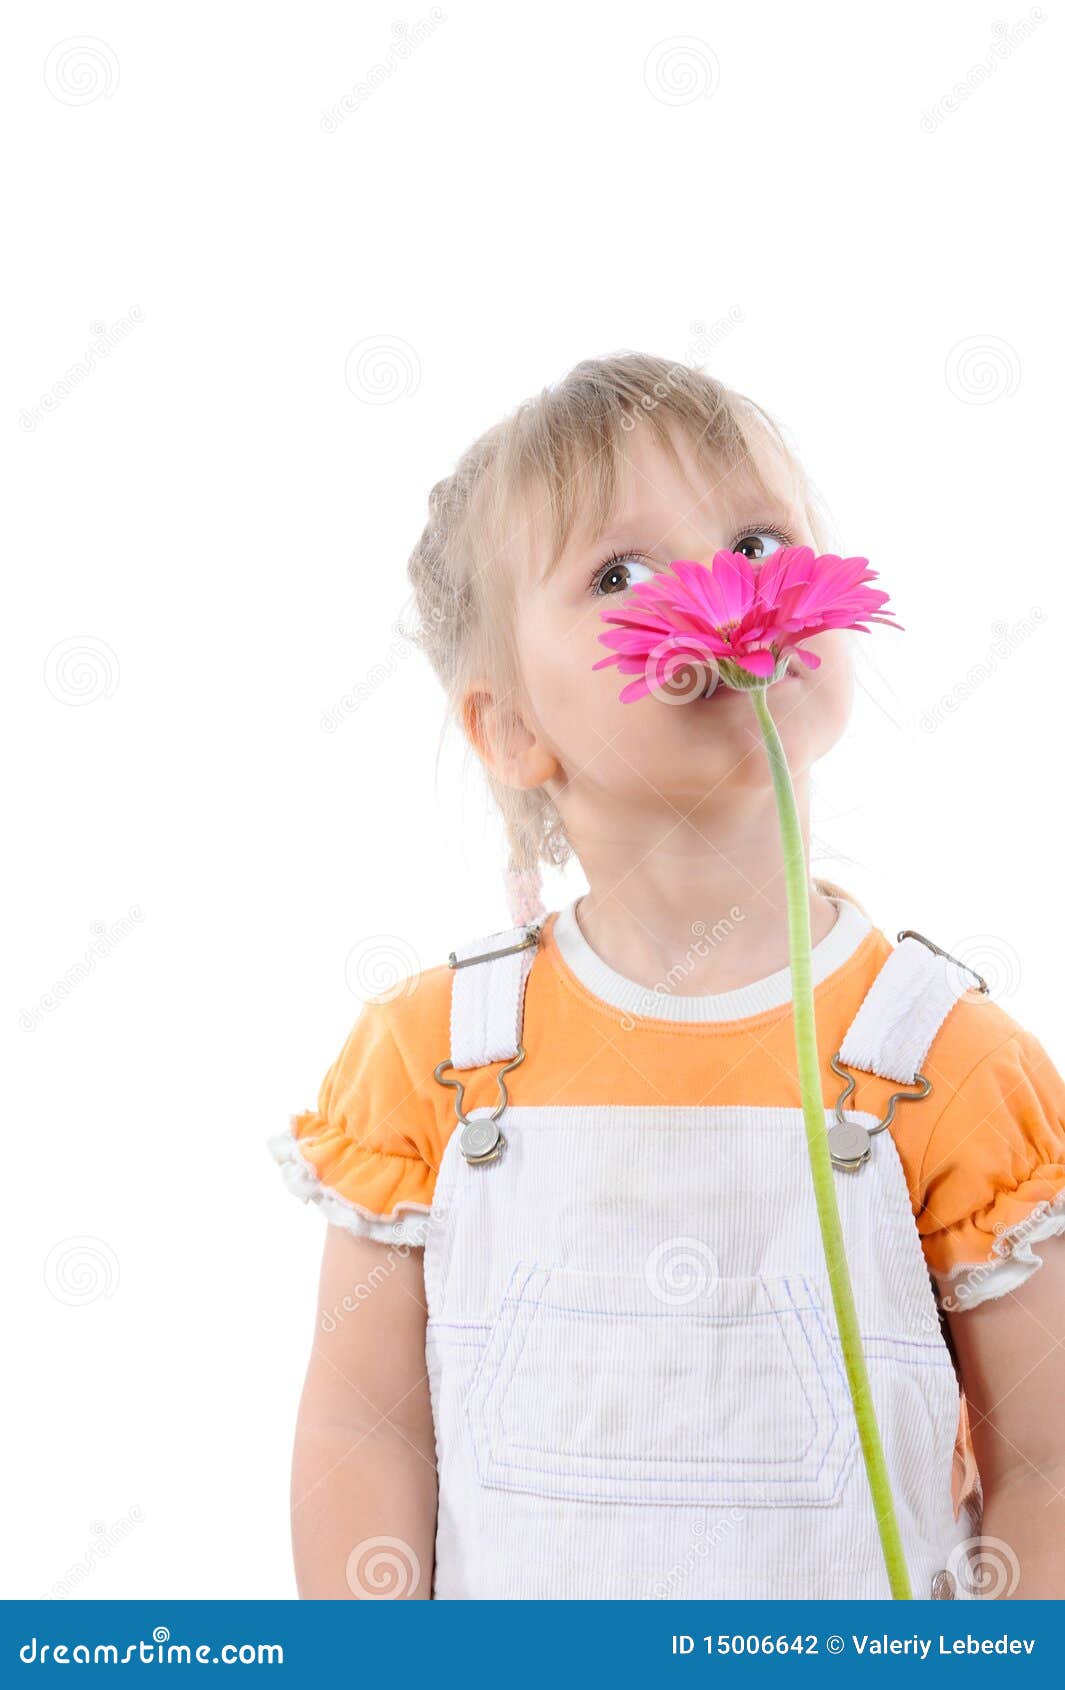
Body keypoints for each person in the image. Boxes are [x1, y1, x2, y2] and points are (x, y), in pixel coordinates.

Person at [268, 353, 1065, 1600]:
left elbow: (1049, 1468)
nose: (717, 588)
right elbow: (366, 1428)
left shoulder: (946, 1057)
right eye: (619, 574)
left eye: (755, 540)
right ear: (512, 729)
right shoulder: (439, 1054)